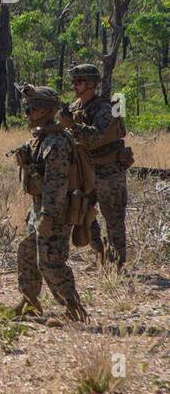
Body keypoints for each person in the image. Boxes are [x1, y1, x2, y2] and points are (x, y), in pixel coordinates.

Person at [13, 84, 88, 325]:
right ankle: (30, 301)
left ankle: (73, 309)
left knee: (50, 260)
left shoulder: (55, 143)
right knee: (27, 252)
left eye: (32, 109)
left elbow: (56, 184)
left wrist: (47, 215)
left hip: (55, 211)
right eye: (27, 108)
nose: (27, 114)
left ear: (46, 110)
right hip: (41, 208)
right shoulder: (40, 138)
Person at [59, 62, 129, 270]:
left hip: (109, 172)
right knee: (83, 215)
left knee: (114, 219)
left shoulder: (104, 108)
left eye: (79, 82)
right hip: (85, 172)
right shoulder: (74, 108)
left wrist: (72, 125)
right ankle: (100, 255)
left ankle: (117, 264)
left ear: (91, 84)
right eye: (73, 82)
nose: (75, 86)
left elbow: (96, 137)